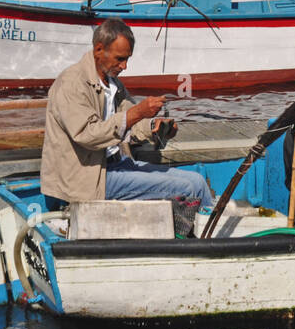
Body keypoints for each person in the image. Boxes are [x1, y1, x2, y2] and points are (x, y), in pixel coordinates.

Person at [40, 18, 213, 211]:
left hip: (116, 164)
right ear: (99, 50)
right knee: (186, 189)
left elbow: (133, 121)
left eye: (127, 59)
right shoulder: (72, 83)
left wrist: (156, 126)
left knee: (196, 181)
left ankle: (211, 234)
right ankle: (202, 237)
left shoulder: (113, 83)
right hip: (87, 179)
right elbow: (87, 134)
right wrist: (136, 113)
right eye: (120, 59)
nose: (124, 66)